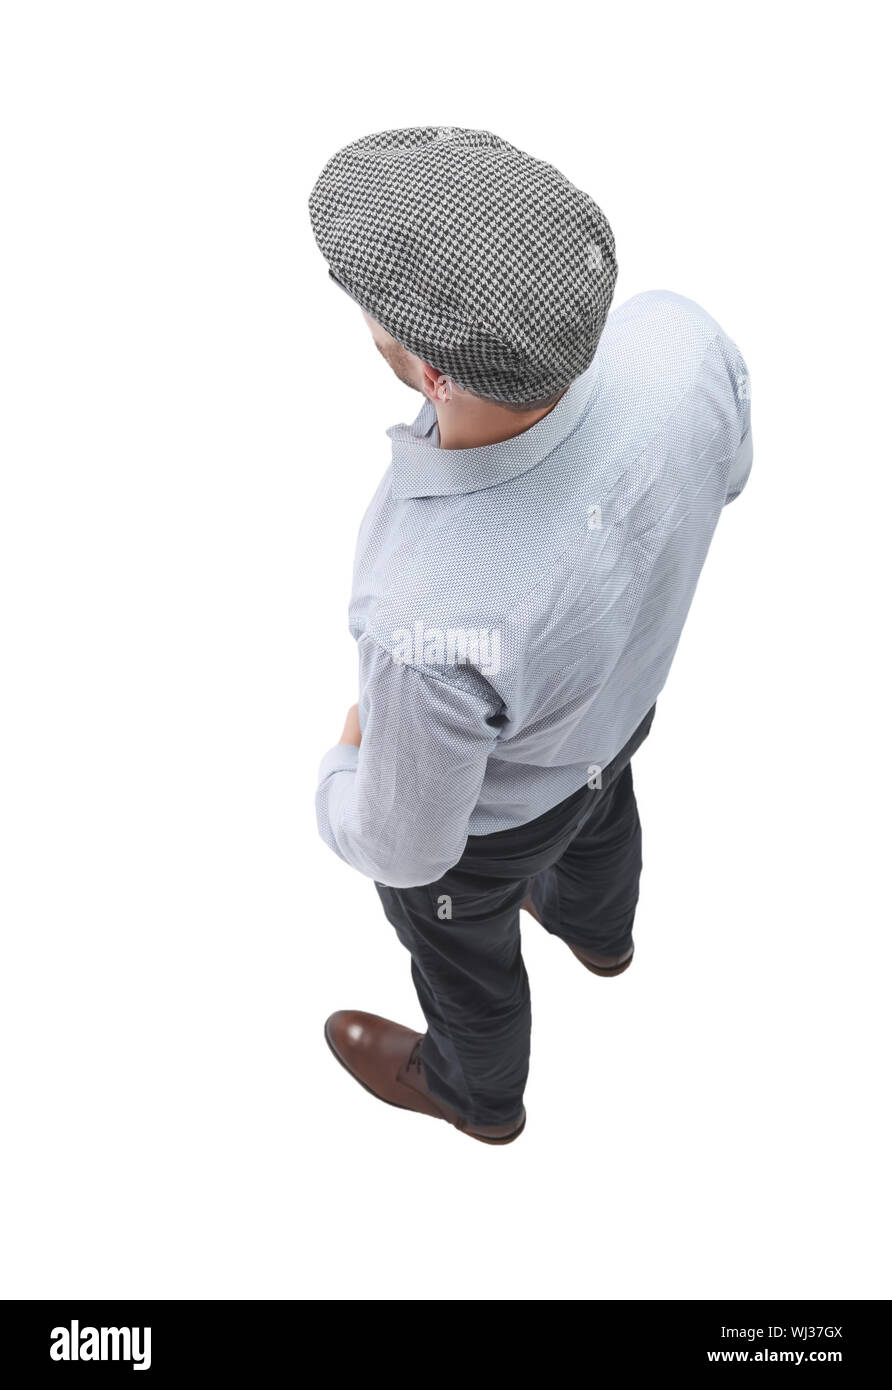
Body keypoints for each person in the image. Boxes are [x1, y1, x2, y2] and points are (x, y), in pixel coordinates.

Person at [308, 127, 752, 1144]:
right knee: (599, 824)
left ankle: (476, 1094)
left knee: (463, 954)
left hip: (488, 832)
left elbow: (408, 848)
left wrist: (340, 766)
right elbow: (727, 476)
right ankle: (601, 940)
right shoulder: (679, 340)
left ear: (431, 372)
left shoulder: (421, 609)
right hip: (617, 721)